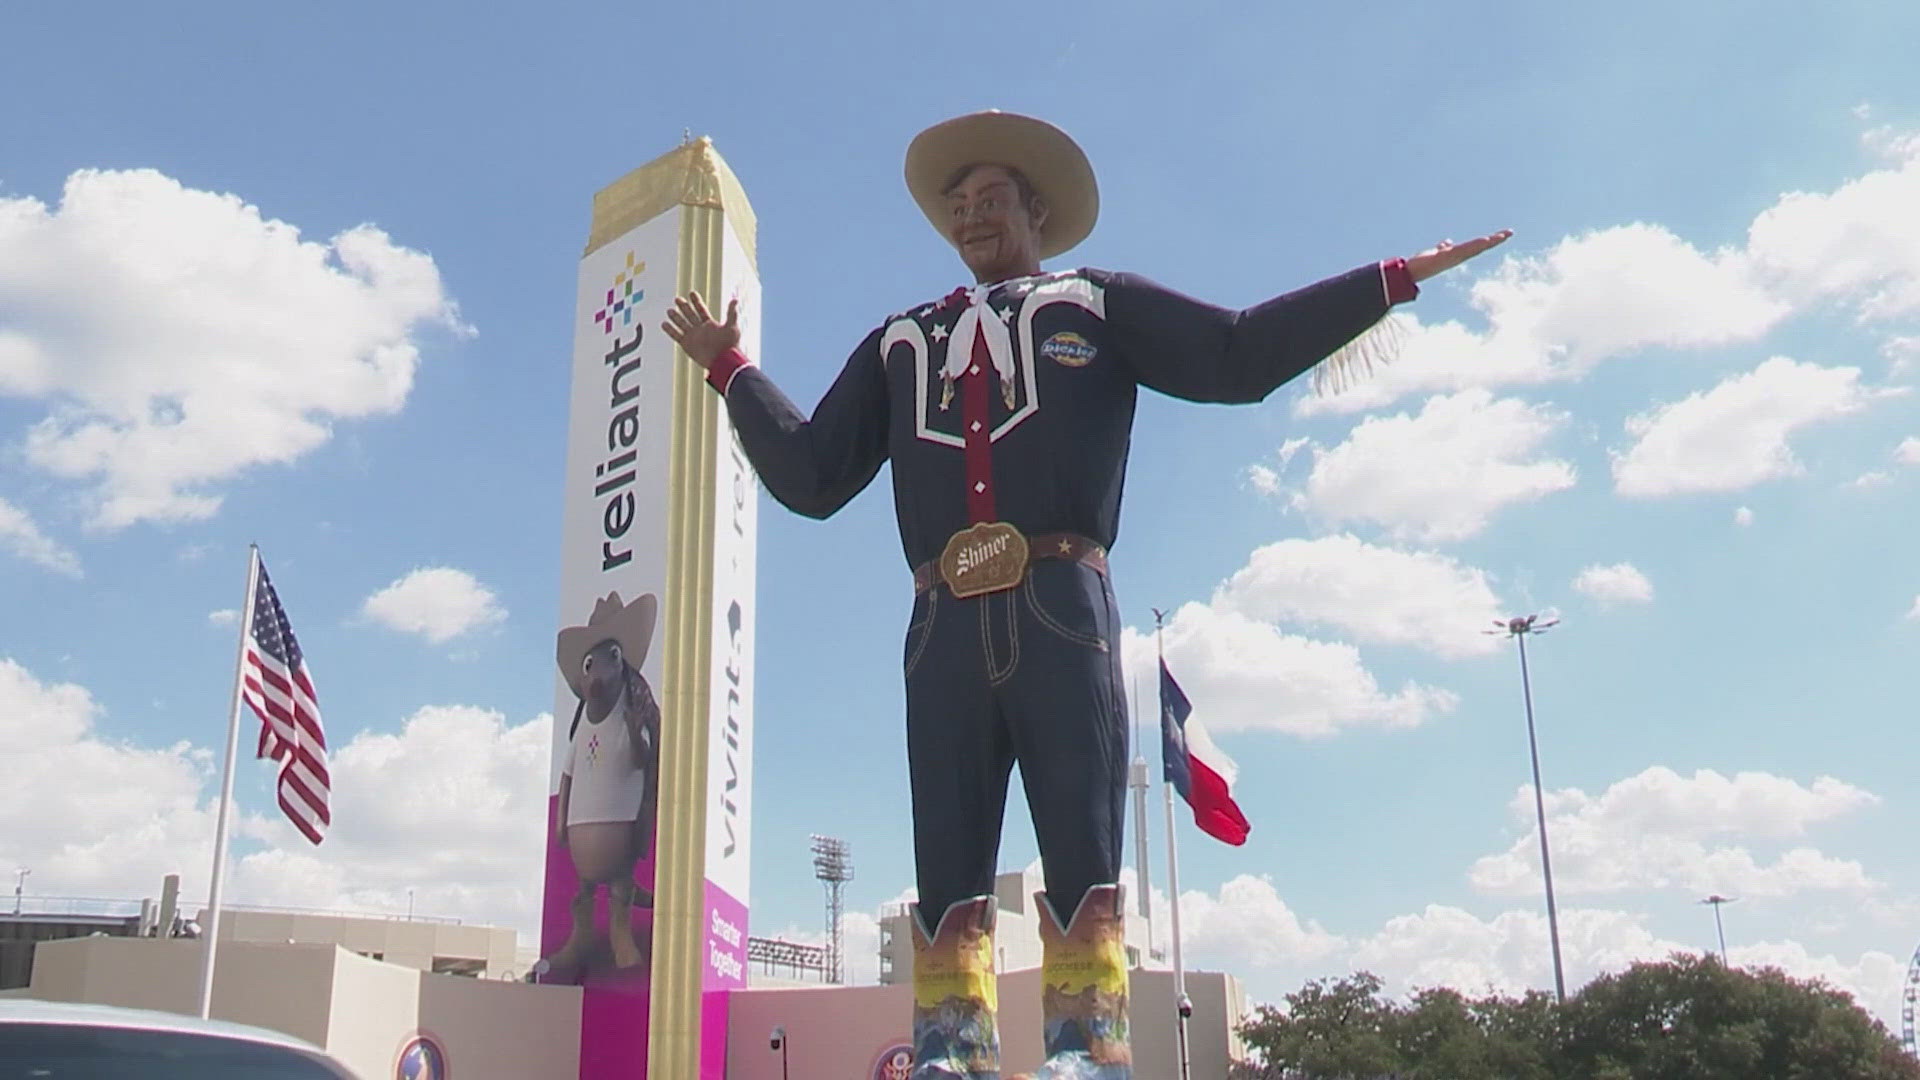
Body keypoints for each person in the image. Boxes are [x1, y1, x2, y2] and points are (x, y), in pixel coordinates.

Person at [663, 110, 1508, 1080]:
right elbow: (813, 476)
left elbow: (1236, 356)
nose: (973, 218)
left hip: (1059, 602)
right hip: (940, 621)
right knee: (947, 852)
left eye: (992, 200)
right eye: (959, 205)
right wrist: (731, 369)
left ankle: (1086, 1046)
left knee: (1079, 835)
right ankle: (949, 1048)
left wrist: (1388, 281)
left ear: (1040, 209)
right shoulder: (901, 343)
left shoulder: (1093, 306)